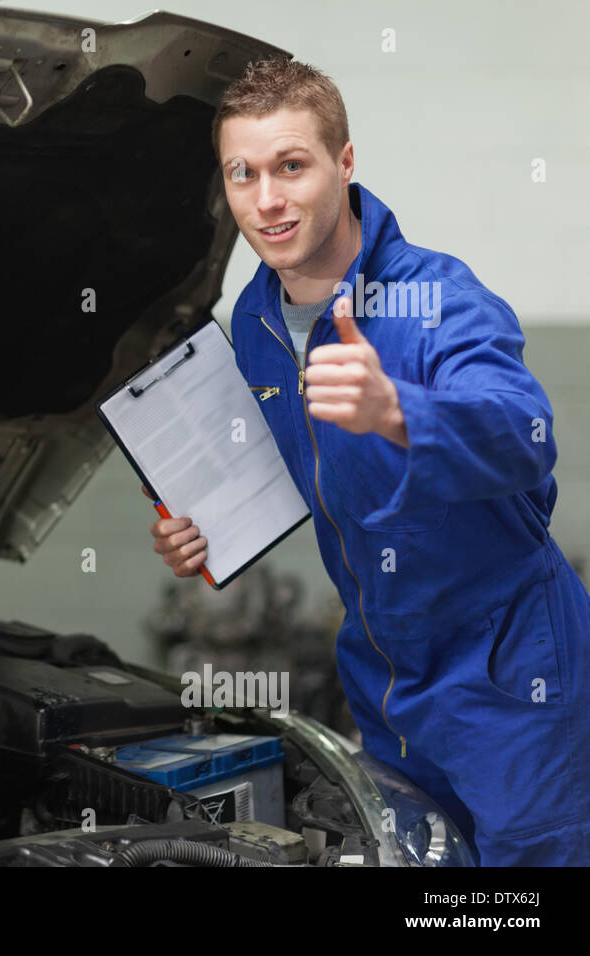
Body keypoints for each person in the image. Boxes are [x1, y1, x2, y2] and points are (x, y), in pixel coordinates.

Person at [149, 57, 589, 865]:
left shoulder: (438, 299)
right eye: (242, 174)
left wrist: (398, 411)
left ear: (344, 164)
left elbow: (526, 435)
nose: (267, 200)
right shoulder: (254, 319)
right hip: (383, 680)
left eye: (291, 166)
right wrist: (205, 531)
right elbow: (299, 464)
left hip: (508, 676)